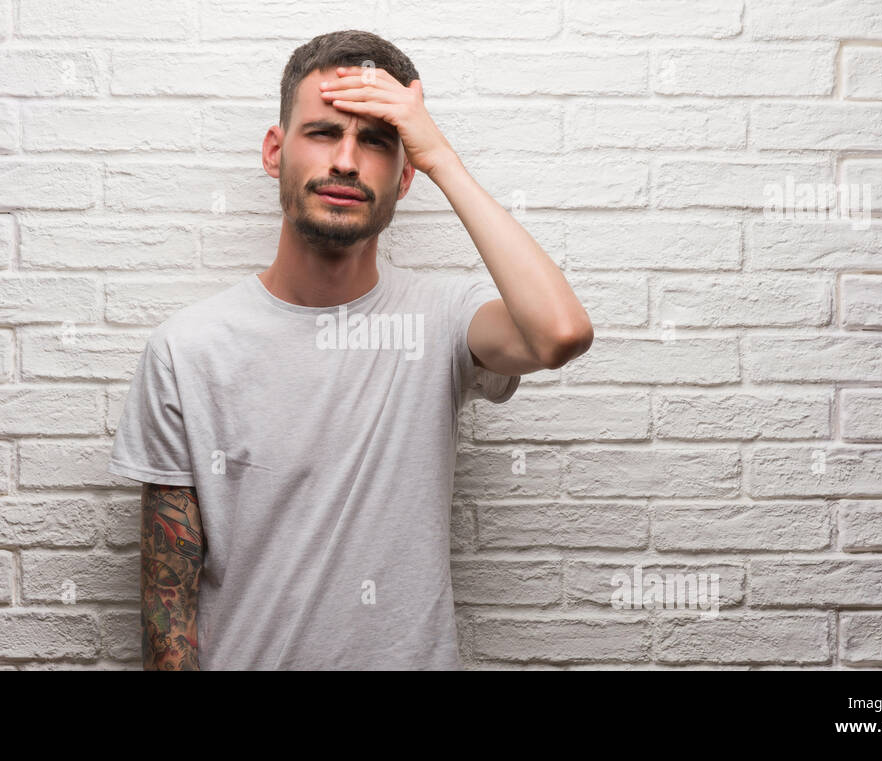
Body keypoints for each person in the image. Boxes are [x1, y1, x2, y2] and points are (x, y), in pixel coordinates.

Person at [108, 29, 593, 670]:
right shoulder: (189, 348)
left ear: (405, 174)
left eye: (376, 141)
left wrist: (442, 155)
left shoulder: (442, 319)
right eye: (322, 133)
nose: (345, 161)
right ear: (275, 151)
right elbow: (169, 608)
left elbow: (558, 333)